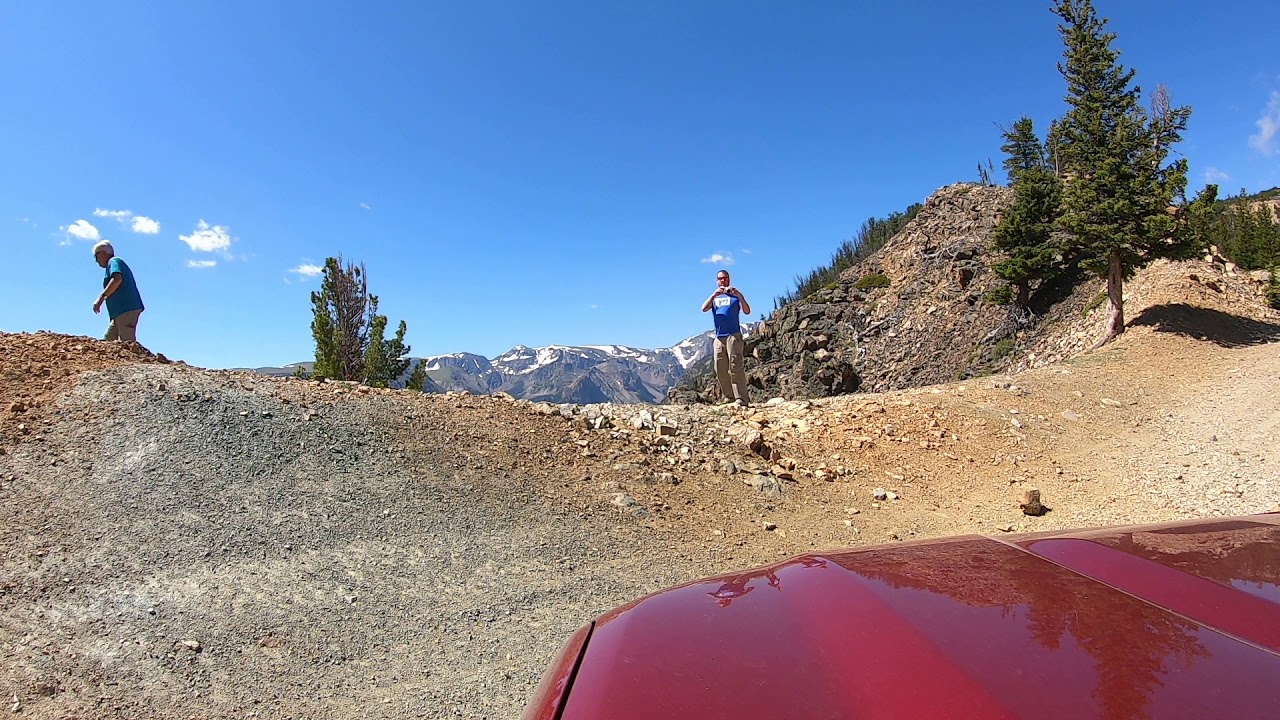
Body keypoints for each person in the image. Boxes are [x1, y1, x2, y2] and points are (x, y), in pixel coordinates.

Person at [701, 269, 751, 406]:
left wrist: (739, 295)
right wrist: (713, 295)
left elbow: (747, 311)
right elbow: (704, 308)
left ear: (729, 279)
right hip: (719, 337)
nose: (723, 281)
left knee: (735, 367)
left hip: (733, 335)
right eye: (720, 278)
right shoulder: (715, 298)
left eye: (725, 278)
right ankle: (728, 396)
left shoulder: (735, 296)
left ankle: (741, 398)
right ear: (717, 281)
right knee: (720, 368)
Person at [92, 240, 145, 344]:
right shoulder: (113, 263)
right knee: (108, 341)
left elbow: (117, 279)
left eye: (96, 256)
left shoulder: (114, 261)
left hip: (125, 308)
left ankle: (135, 360)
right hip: (120, 312)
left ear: (103, 253)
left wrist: (101, 298)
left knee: (127, 342)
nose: (96, 260)